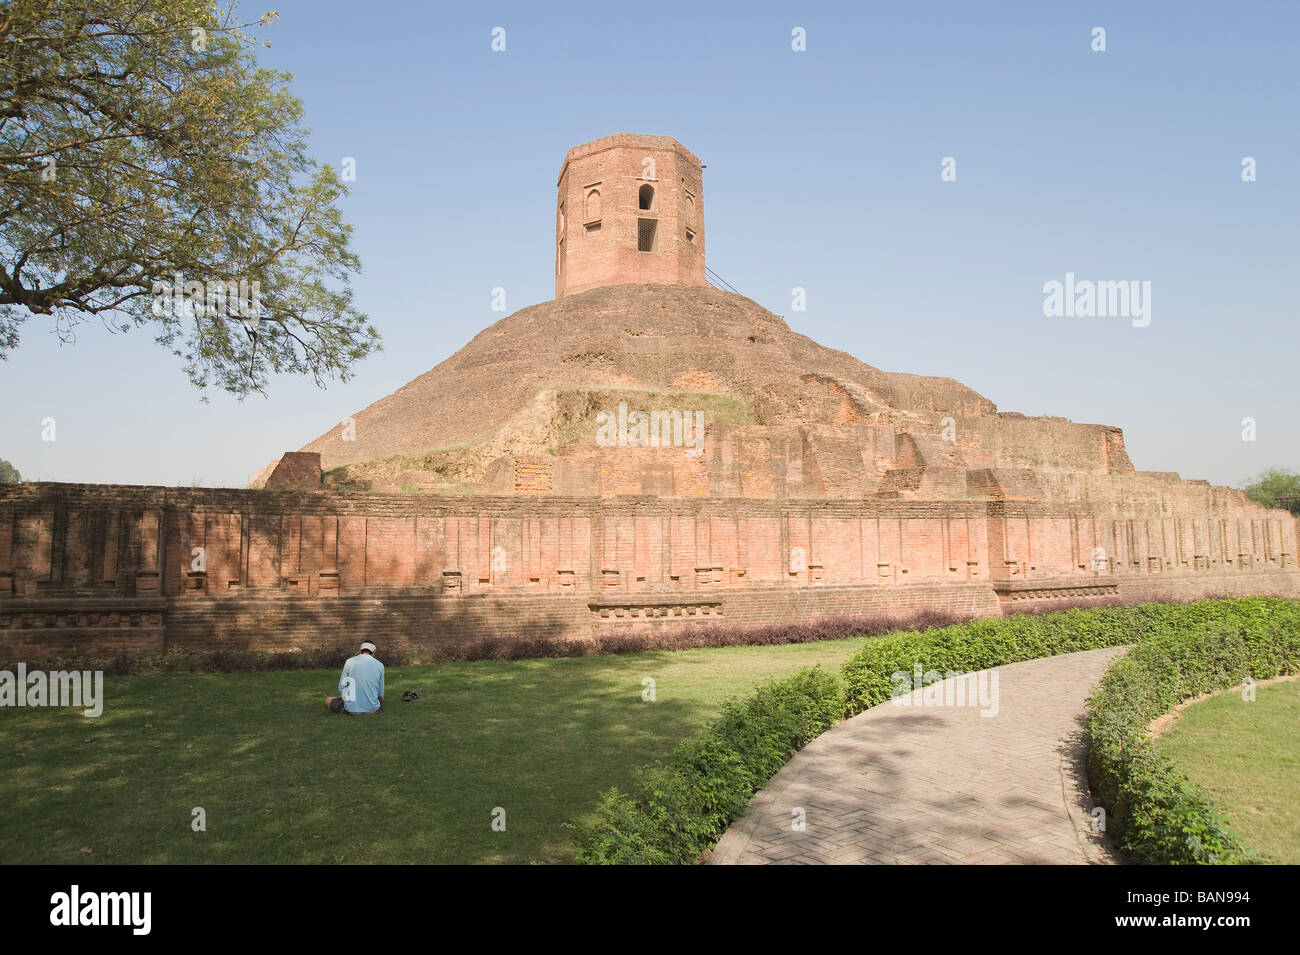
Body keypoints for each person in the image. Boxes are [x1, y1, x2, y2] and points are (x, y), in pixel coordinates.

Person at [325, 641, 384, 715]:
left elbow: (341, 687)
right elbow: (380, 694)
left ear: (360, 650)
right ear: (374, 652)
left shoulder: (349, 662)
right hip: (373, 710)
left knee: (328, 699)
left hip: (351, 709)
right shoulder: (380, 665)